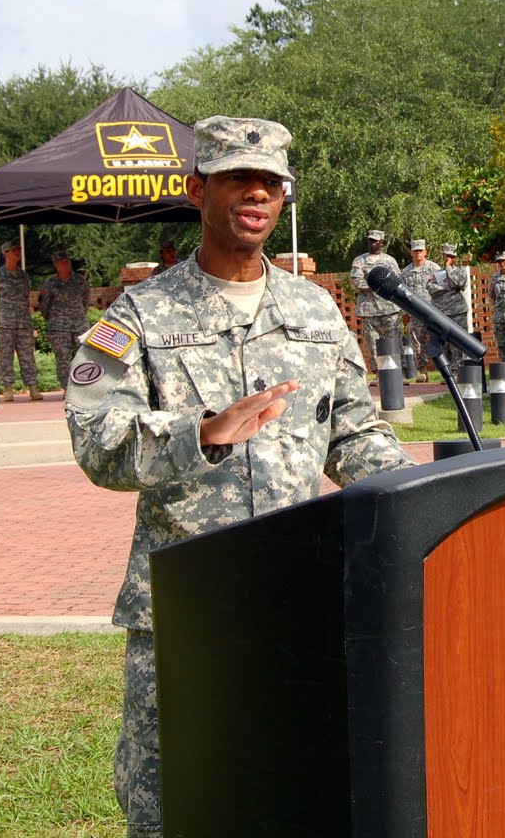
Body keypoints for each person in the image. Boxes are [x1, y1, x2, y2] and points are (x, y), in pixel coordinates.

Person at [66, 115, 412, 838]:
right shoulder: (139, 314)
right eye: (236, 179)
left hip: (298, 600)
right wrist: (202, 434)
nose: (256, 194)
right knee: (173, 806)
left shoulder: (316, 311)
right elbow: (98, 441)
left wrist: (416, 503)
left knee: (295, 792)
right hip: (188, 609)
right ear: (199, 190)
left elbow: (354, 431)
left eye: (270, 183)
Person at [0, 242, 40, 401]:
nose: (18, 253)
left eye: (19, 250)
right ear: (6, 253)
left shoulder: (24, 276)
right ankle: (7, 389)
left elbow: (27, 297)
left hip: (23, 322)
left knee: (27, 356)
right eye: (14, 251)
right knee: (5, 356)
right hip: (5, 323)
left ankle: (33, 387)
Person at [38, 250, 91, 389]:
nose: (65, 264)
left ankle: (85, 385)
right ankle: (66, 387)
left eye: (66, 261)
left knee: (84, 355)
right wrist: (54, 319)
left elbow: (86, 301)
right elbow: (44, 305)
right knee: (63, 359)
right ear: (56, 264)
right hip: (58, 327)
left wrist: (79, 315)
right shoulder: (50, 283)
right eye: (61, 262)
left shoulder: (80, 281)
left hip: (79, 325)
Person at [348, 230, 401, 366]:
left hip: (389, 307)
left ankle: (396, 371)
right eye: (370, 240)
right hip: (369, 309)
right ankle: (378, 372)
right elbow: (356, 279)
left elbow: (397, 280)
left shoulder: (389, 260)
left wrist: (385, 287)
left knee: (393, 341)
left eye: (375, 241)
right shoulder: (360, 260)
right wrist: (376, 287)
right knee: (373, 343)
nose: (372, 243)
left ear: (381, 242)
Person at [399, 238, 441, 381]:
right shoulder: (406, 272)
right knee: (417, 342)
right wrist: (405, 313)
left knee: (438, 339)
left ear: (425, 252)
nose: (418, 253)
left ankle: (445, 369)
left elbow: (443, 288)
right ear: (411, 253)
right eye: (415, 251)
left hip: (433, 310)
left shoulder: (434, 268)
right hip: (415, 312)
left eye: (420, 251)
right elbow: (402, 294)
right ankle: (423, 371)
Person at [429, 243, 469, 333]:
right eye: (446, 256)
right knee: (444, 343)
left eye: (451, 256)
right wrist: (448, 288)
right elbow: (431, 288)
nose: (448, 259)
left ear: (455, 258)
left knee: (459, 341)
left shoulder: (460, 272)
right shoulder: (437, 273)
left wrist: (448, 267)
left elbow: (457, 283)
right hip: (441, 312)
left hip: (457, 312)